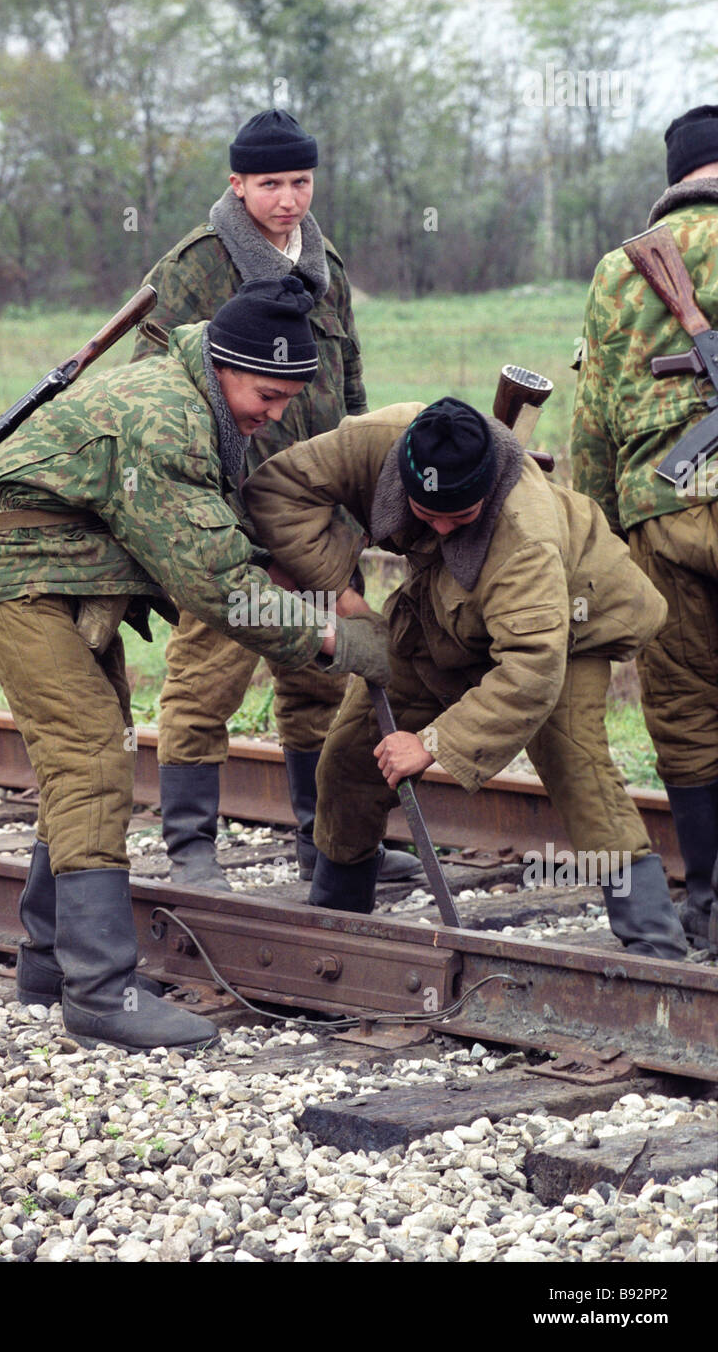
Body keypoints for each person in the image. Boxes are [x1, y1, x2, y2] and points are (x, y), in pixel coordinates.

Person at [0, 279, 391, 1054]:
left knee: (97, 748)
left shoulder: (196, 401)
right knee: (89, 759)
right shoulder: (168, 421)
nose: (275, 413)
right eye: (266, 394)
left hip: (64, 567)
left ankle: (49, 963)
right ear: (223, 366)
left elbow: (217, 538)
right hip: (16, 571)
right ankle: (99, 992)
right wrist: (334, 643)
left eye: (288, 398)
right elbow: (219, 586)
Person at [243, 396, 689, 960]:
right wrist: (340, 592)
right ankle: (338, 919)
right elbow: (276, 489)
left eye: (462, 516)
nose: (445, 527)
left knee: (577, 769)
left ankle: (656, 942)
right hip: (442, 616)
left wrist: (432, 744)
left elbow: (530, 670)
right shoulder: (380, 440)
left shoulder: (526, 537)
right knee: (351, 756)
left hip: (567, 627)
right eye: (428, 515)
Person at [132, 107, 420, 889]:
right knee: (208, 676)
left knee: (321, 680)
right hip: (224, 513)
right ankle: (191, 851)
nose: (287, 198)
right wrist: (198, 505)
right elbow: (156, 387)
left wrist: (359, 500)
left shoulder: (326, 260)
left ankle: (321, 841)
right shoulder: (194, 264)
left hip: (320, 511)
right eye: (269, 183)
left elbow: (351, 383)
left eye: (299, 181)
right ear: (237, 183)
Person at [570, 104, 718, 952]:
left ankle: (705, 906)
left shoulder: (617, 273)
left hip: (661, 509)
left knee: (688, 712)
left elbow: (593, 423)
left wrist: (599, 547)